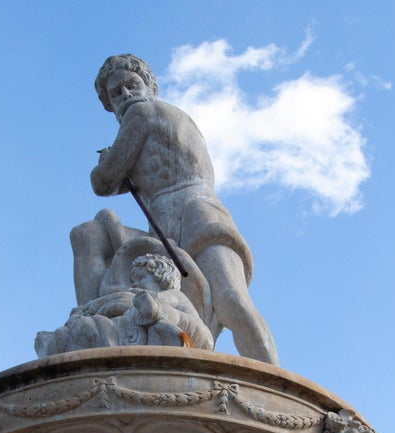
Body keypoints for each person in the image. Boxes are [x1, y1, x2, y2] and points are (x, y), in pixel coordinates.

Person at [79, 53, 279, 366]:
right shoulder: (144, 119)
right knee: (89, 234)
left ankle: (273, 383)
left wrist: (107, 163)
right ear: (109, 104)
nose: (126, 95)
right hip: (163, 228)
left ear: (150, 86)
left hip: (196, 212)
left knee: (231, 302)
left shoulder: (141, 113)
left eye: (132, 85)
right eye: (116, 94)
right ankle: (93, 330)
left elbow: (102, 182)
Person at [36, 251, 213, 356]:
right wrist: (90, 308)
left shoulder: (173, 295)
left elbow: (143, 302)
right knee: (91, 326)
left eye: (141, 278)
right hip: (138, 328)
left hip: (183, 332)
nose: (134, 285)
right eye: (133, 280)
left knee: (102, 324)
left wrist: (97, 305)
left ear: (164, 279)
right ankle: (58, 341)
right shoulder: (137, 299)